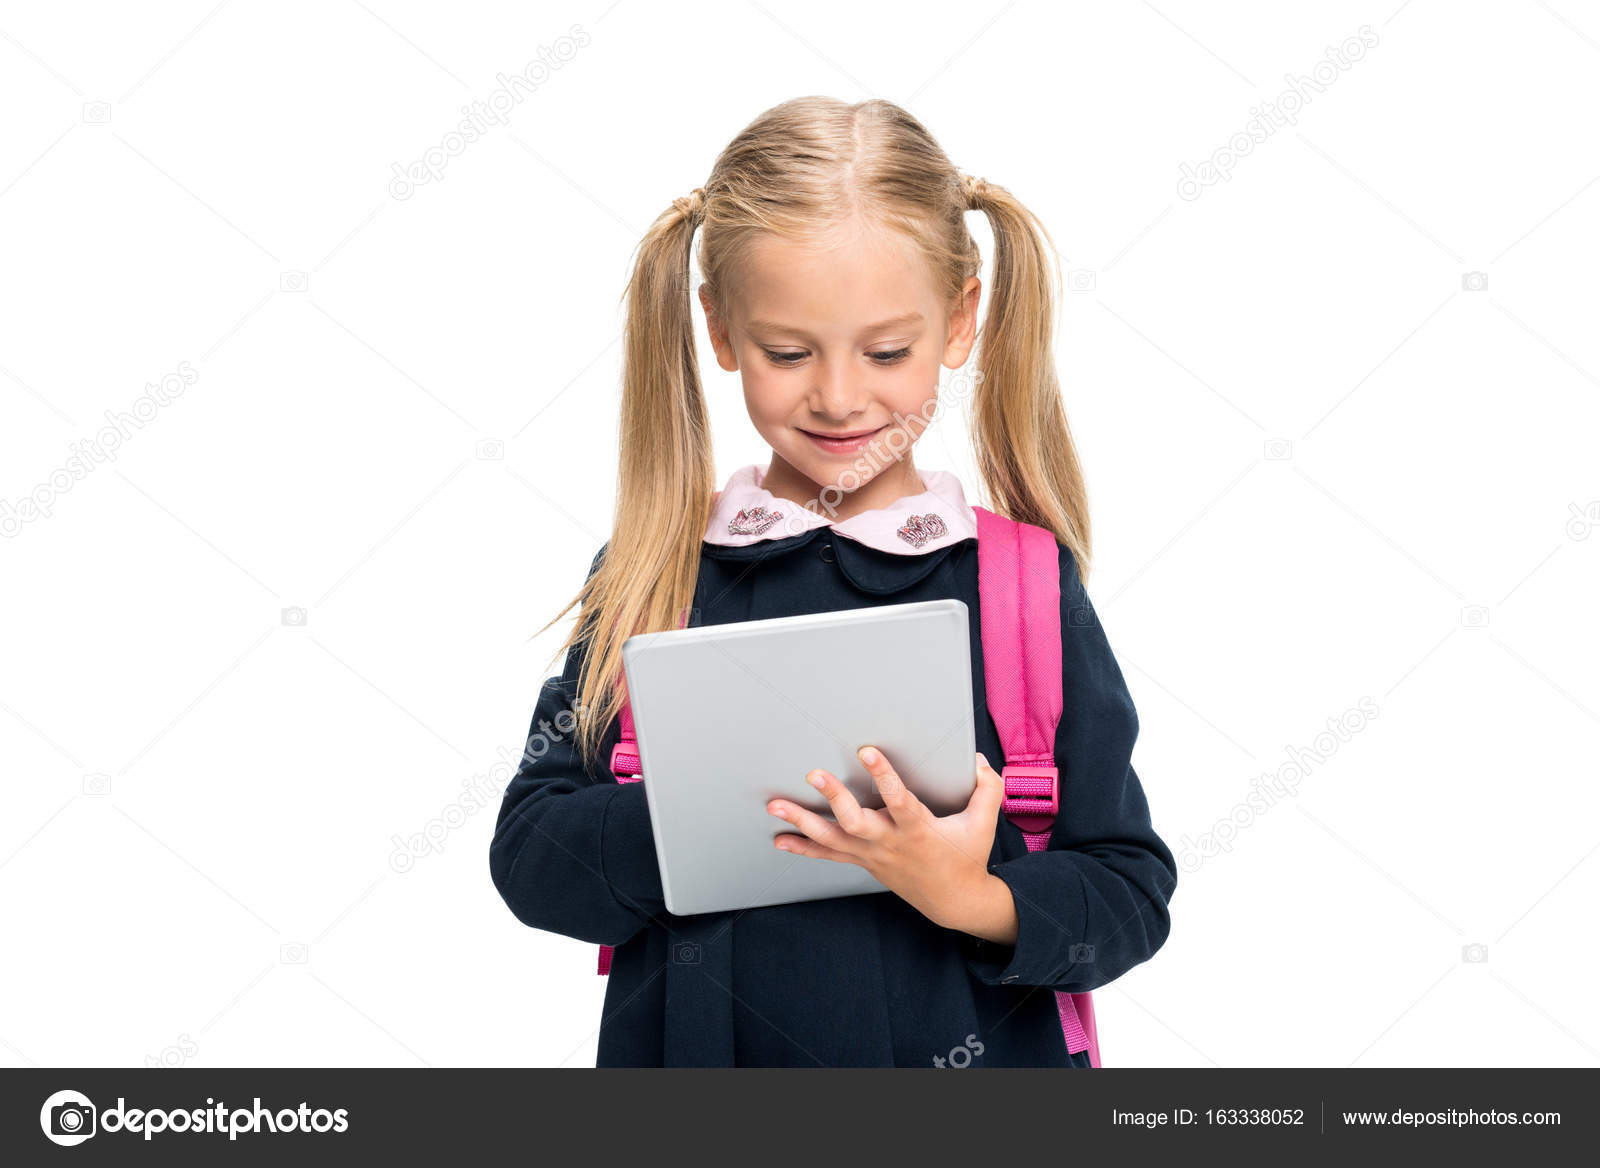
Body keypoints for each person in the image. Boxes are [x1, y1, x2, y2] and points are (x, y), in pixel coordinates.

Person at [489, 95, 1177, 1067]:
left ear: (961, 319)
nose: (840, 395)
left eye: (886, 350)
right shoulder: (652, 580)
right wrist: (713, 811)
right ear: (720, 331)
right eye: (787, 351)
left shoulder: (1021, 585)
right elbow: (530, 861)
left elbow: (1128, 893)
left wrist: (971, 892)